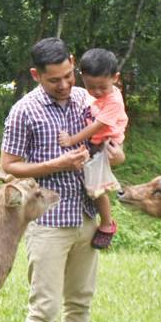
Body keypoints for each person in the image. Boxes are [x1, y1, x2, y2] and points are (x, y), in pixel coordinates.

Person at [0, 37, 125, 322]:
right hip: (48, 223)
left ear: (73, 63)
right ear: (36, 75)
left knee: (81, 301)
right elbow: (8, 167)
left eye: (69, 75)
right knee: (45, 306)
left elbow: (112, 150)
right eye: (55, 80)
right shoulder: (24, 111)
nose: (66, 85)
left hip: (86, 216)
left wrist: (116, 155)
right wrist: (56, 164)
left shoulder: (90, 100)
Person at [57, 48, 129, 249]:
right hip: (94, 143)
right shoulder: (86, 95)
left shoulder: (114, 100)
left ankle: (107, 224)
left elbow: (97, 127)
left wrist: (71, 140)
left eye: (102, 88)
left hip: (106, 144)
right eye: (91, 87)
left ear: (115, 78)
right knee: (89, 183)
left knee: (96, 189)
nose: (96, 92)